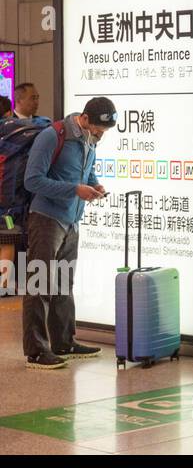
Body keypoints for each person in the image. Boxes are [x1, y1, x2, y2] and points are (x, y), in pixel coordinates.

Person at [21, 96, 116, 369]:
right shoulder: (53, 136)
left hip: (72, 220)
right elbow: (32, 180)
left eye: (104, 131)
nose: (99, 135)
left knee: (63, 283)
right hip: (46, 219)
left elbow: (85, 174)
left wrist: (94, 187)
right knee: (39, 284)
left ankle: (64, 342)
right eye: (97, 129)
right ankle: (36, 351)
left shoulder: (88, 140)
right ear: (84, 119)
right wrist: (73, 190)